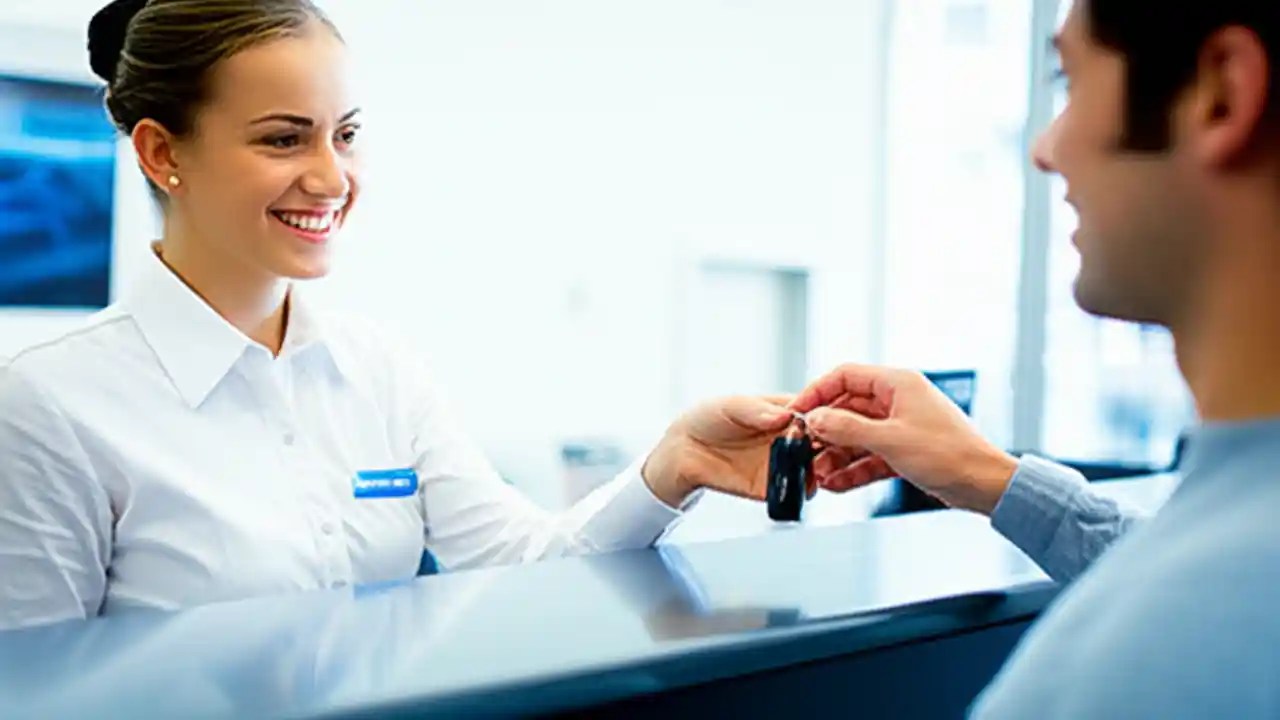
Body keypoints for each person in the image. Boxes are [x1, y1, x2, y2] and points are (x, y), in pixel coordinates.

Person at [0, 0, 799, 630]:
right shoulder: (51, 405)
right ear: (162, 152)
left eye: (345, 135)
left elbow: (528, 566)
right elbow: (31, 686)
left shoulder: (378, 371)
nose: (332, 179)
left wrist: (677, 463)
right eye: (283, 141)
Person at [792, 0, 1280, 716]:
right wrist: (989, 476)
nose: (1045, 149)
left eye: (1069, 81)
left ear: (1222, 95)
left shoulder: (1138, 669)